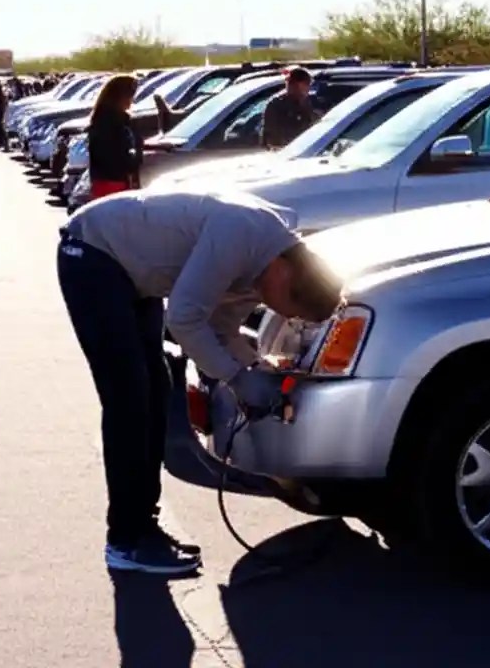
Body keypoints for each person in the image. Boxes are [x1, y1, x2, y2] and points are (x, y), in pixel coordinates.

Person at [57, 189, 344, 574]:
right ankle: (125, 540)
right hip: (92, 252)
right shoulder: (241, 234)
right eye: (284, 305)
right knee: (129, 398)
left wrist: (256, 372)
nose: (275, 309)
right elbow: (184, 319)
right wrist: (237, 379)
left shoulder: (265, 267)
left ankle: (144, 525)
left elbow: (221, 329)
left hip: (131, 271)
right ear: (285, 270)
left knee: (156, 389)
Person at [86, 74, 140, 202]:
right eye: (131, 96)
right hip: (111, 182)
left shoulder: (112, 119)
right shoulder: (109, 121)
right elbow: (112, 154)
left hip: (110, 181)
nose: (132, 100)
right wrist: (132, 161)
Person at [260, 66, 315, 150]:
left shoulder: (308, 102)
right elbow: (271, 134)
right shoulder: (277, 104)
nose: (307, 88)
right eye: (306, 84)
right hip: (284, 150)